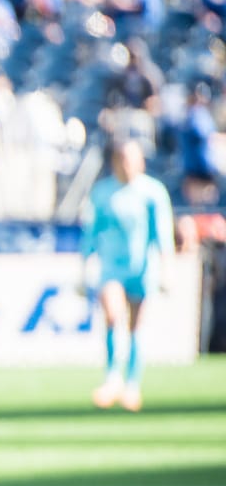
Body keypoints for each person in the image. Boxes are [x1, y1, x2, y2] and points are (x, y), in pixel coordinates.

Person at [81, 139, 175, 412]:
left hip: (142, 268)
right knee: (112, 315)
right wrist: (84, 265)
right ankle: (112, 378)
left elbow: (162, 234)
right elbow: (91, 232)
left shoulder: (152, 192)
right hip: (112, 266)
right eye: (123, 160)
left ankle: (132, 384)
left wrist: (166, 269)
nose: (128, 165)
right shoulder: (103, 192)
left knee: (136, 325)